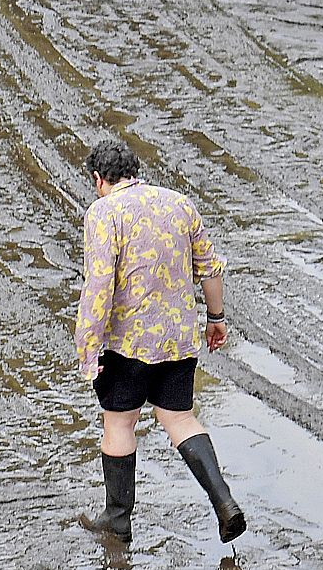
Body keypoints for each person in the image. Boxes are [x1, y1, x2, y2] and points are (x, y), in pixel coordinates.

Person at [71, 138, 244, 545]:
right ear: (134, 171)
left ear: (100, 179)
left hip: (125, 344)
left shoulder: (104, 212)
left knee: (119, 422)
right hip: (178, 339)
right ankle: (224, 503)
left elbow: (99, 286)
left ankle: (117, 519)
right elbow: (210, 267)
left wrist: (87, 346)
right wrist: (216, 318)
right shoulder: (178, 203)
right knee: (179, 418)